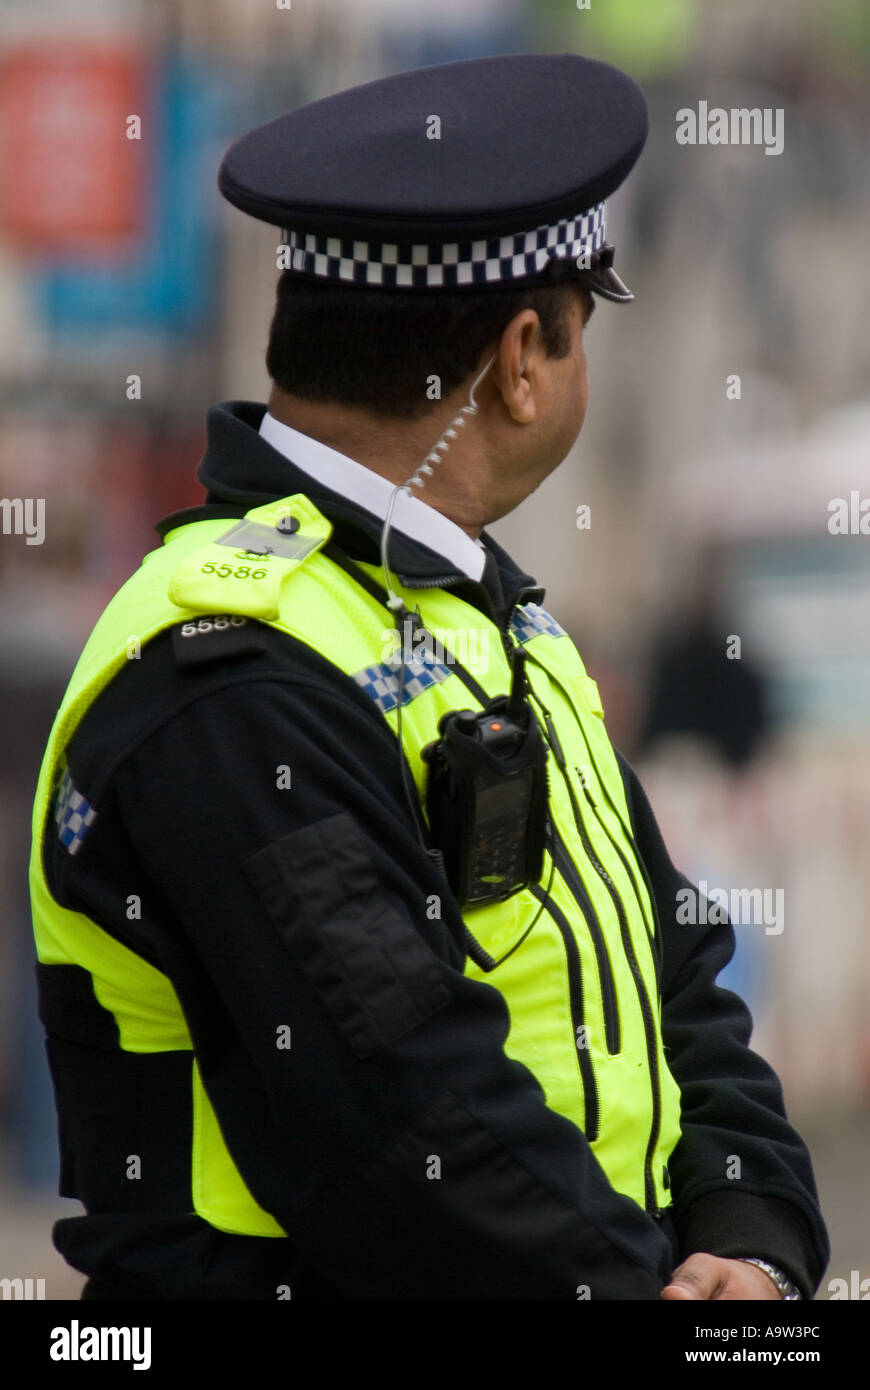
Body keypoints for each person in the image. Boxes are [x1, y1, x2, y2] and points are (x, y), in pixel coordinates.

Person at [29, 52, 828, 1301]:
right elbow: (408, 1124)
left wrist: (750, 1233)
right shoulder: (231, 674)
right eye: (580, 326)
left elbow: (673, 968)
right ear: (521, 358)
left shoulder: (487, 617)